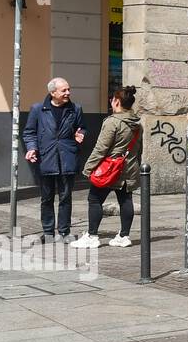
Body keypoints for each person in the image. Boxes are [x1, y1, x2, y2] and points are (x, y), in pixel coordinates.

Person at [75, 86, 143, 249]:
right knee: (126, 200)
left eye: (112, 99)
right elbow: (139, 148)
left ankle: (92, 235)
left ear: (117, 101)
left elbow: (101, 148)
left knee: (94, 199)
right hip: (129, 168)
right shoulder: (137, 124)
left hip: (110, 170)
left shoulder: (112, 122)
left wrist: (88, 168)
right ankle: (124, 236)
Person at [23, 78, 86, 242]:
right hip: (46, 158)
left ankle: (64, 232)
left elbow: (82, 127)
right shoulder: (38, 109)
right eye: (64, 90)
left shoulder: (75, 109)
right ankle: (49, 232)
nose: (68, 93)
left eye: (68, 89)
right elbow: (29, 132)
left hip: (67, 158)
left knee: (65, 197)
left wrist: (81, 135)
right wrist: (31, 148)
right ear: (53, 93)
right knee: (46, 198)